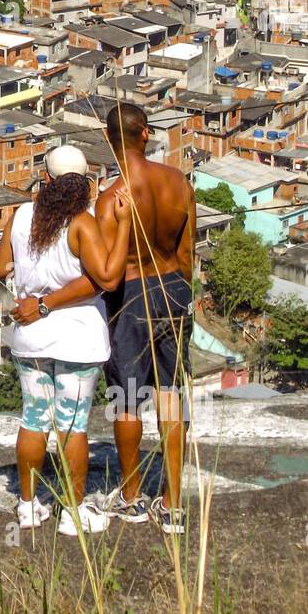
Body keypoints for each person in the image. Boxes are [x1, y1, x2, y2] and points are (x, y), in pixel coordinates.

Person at [0, 145, 132, 536]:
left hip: (30, 339)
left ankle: (27, 506)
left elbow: (1, 266)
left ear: (47, 179)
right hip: (77, 339)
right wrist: (121, 226)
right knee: (72, 426)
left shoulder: (21, 216)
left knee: (34, 419)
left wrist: (34, 288)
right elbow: (107, 278)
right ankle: (71, 512)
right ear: (85, 182)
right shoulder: (82, 224)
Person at [93, 103, 196, 535]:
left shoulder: (109, 199)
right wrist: (183, 296)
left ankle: (132, 496)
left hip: (129, 296)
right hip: (174, 286)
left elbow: (105, 273)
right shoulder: (177, 182)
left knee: (128, 398)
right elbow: (189, 252)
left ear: (109, 139)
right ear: (145, 134)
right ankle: (171, 503)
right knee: (171, 394)